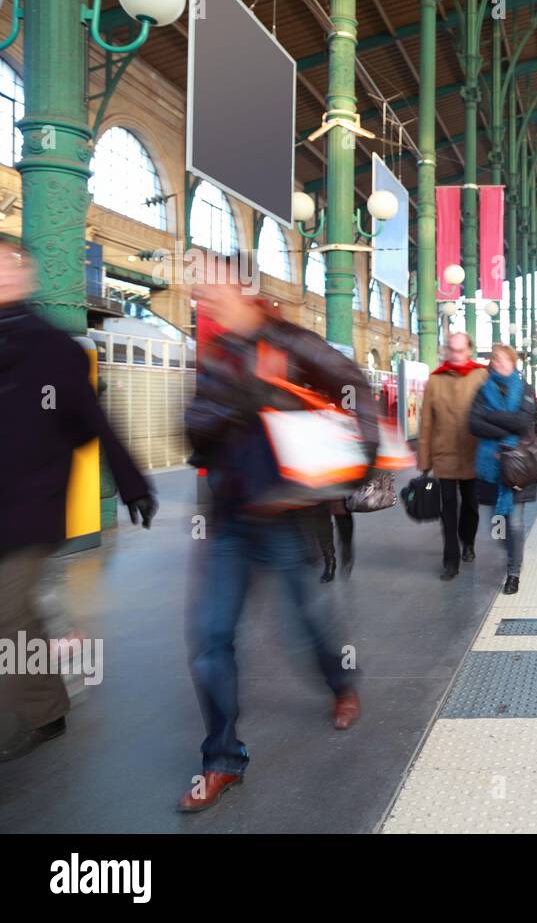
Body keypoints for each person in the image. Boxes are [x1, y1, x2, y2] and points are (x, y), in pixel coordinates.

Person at [180, 276, 378, 812]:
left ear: (247, 297)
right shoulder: (218, 356)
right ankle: (222, 760)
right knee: (211, 637)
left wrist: (358, 461)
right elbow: (194, 433)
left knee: (305, 622)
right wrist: (218, 415)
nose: (209, 304)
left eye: (218, 296)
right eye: (205, 300)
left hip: (286, 513)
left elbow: (353, 387)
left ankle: (341, 683)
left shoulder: (293, 343)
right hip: (230, 520)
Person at [0, 247, 157, 763]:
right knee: (17, 610)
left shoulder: (52, 348)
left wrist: (133, 484)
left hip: (29, 504)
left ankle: (45, 712)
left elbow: (94, 420)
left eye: (8, 268)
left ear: (26, 276)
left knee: (8, 612)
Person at [416, 332, 488, 581]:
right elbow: (426, 422)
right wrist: (424, 460)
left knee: (471, 505)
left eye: (459, 350)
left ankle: (468, 541)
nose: (455, 355)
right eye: (451, 349)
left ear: (469, 350)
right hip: (444, 454)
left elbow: (492, 413)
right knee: (448, 509)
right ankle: (450, 560)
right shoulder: (435, 380)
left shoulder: (482, 376)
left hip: (474, 453)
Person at [469, 345, 537, 595]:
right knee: (496, 526)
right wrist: (504, 430)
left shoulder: (525, 389)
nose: (499, 363)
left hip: (518, 465)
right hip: (490, 466)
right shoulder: (483, 389)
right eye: (495, 359)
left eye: (503, 359)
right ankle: (511, 552)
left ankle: (513, 573)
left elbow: (522, 423)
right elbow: (473, 424)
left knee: (516, 523)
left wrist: (491, 417)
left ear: (513, 362)